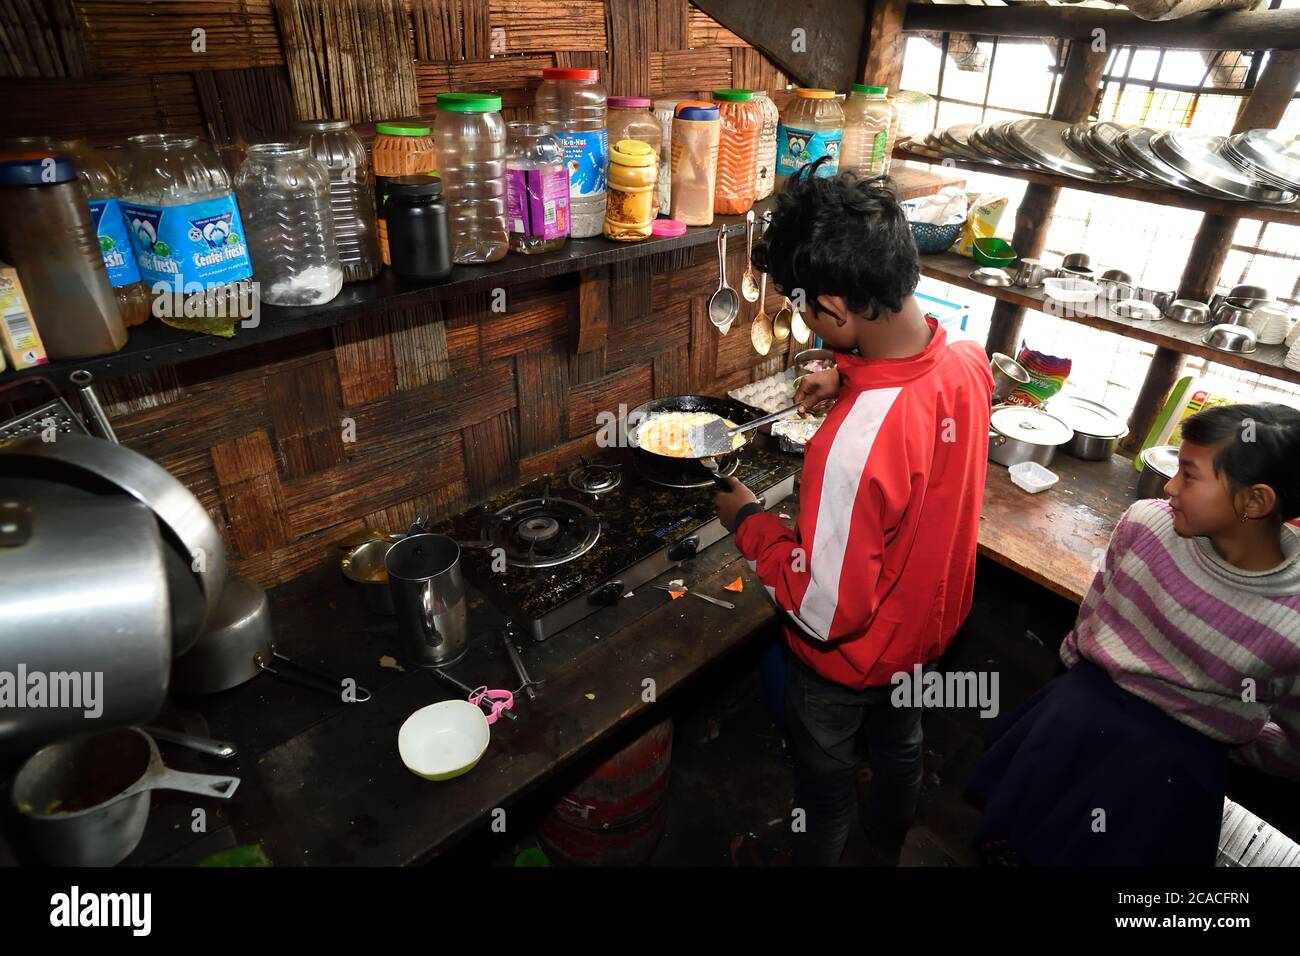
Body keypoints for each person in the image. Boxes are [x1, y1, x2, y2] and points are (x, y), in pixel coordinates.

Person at [713, 159, 995, 865]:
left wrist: (749, 522)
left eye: (804, 308)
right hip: (928, 634)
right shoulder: (968, 359)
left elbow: (827, 611)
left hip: (848, 663)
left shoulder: (849, 451)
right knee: (902, 744)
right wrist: (849, 377)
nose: (805, 321)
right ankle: (890, 839)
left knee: (825, 779)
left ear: (834, 308)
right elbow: (915, 400)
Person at [968, 403, 1300, 866]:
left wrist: (1219, 739)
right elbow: (1095, 610)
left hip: (1156, 772)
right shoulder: (1148, 524)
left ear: (1255, 501)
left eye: (1188, 474)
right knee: (1025, 835)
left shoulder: (1293, 622)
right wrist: (1224, 732)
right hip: (1081, 723)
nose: (1169, 486)